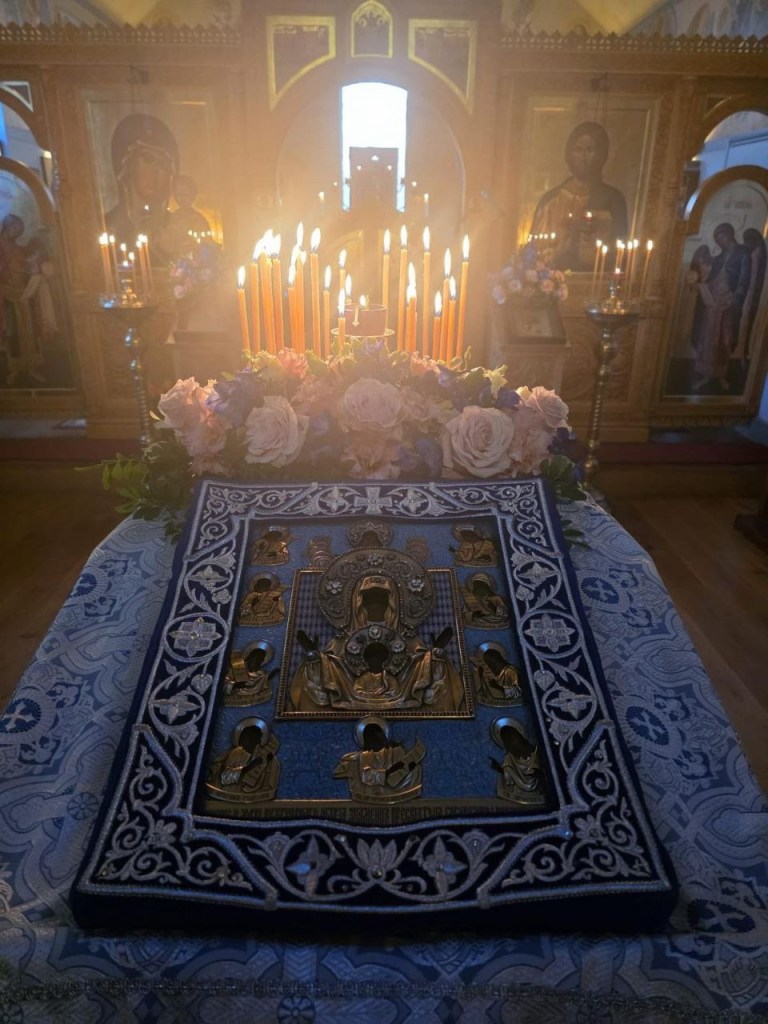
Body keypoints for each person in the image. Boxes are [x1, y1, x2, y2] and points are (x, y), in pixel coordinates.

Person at [530, 121, 628, 271]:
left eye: (590, 149)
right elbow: (535, 251)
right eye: (578, 149)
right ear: (569, 154)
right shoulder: (552, 200)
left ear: (601, 154)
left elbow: (619, 253)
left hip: (594, 280)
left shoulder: (613, 199)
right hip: (552, 283)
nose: (584, 156)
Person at [104, 112, 179, 255]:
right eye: (148, 159)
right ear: (128, 164)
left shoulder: (177, 226)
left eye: (163, 165)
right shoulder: (107, 226)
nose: (156, 172)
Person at [692, 223, 751, 392]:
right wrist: (700, 285)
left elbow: (744, 278)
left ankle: (721, 375)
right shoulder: (719, 258)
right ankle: (706, 375)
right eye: (717, 239)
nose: (720, 242)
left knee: (724, 340)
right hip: (714, 303)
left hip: (729, 303)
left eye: (722, 237)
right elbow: (712, 279)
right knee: (709, 338)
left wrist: (736, 298)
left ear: (730, 234)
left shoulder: (742, 253)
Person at [0, 213, 56, 386]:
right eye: (14, 228)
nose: (17, 232)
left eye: (19, 229)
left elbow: (28, 264)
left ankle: (30, 366)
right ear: (6, 227)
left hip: (23, 294)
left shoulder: (18, 249)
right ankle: (14, 368)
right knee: (12, 331)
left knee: (28, 331)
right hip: (6, 295)